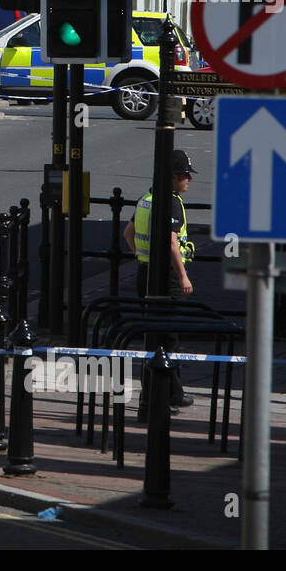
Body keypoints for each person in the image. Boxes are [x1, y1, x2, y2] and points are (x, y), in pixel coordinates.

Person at [123, 149, 199, 418]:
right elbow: (170, 242)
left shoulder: (146, 199)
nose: (188, 179)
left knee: (152, 336)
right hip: (166, 278)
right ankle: (170, 394)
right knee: (169, 336)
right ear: (173, 177)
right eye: (184, 175)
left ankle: (157, 396)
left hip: (145, 273)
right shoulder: (171, 202)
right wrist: (183, 276)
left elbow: (128, 232)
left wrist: (139, 255)